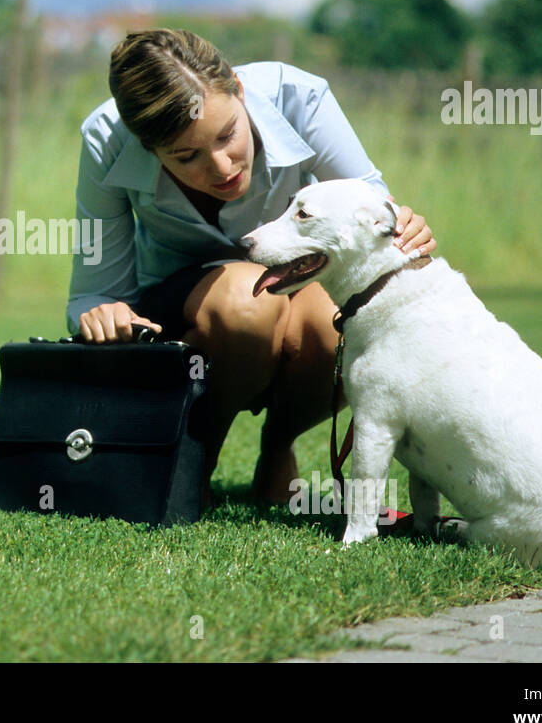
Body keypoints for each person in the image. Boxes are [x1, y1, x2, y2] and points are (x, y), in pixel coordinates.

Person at [65, 28, 436, 505]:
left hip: (296, 285)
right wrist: (101, 314)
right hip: (181, 310)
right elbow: (92, 295)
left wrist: (408, 236)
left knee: (336, 324)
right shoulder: (105, 138)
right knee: (245, 300)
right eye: (187, 156)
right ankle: (193, 456)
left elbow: (374, 227)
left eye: (227, 136)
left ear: (238, 90)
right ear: (145, 145)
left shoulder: (300, 97)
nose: (221, 167)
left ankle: (278, 447)